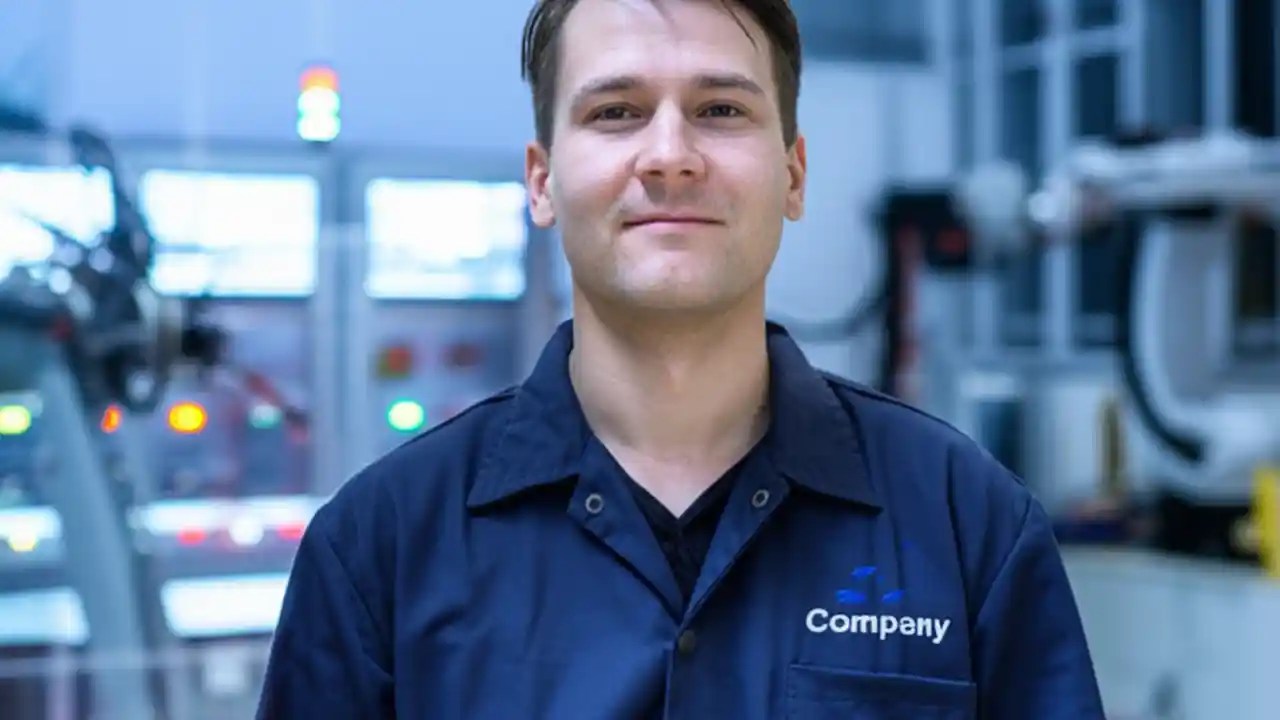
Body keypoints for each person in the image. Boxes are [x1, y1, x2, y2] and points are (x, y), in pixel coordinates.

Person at [256, 0, 1106, 717]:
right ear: (543, 181)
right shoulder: (381, 549)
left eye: (722, 110)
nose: (670, 155)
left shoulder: (966, 524)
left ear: (795, 174)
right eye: (616, 111)